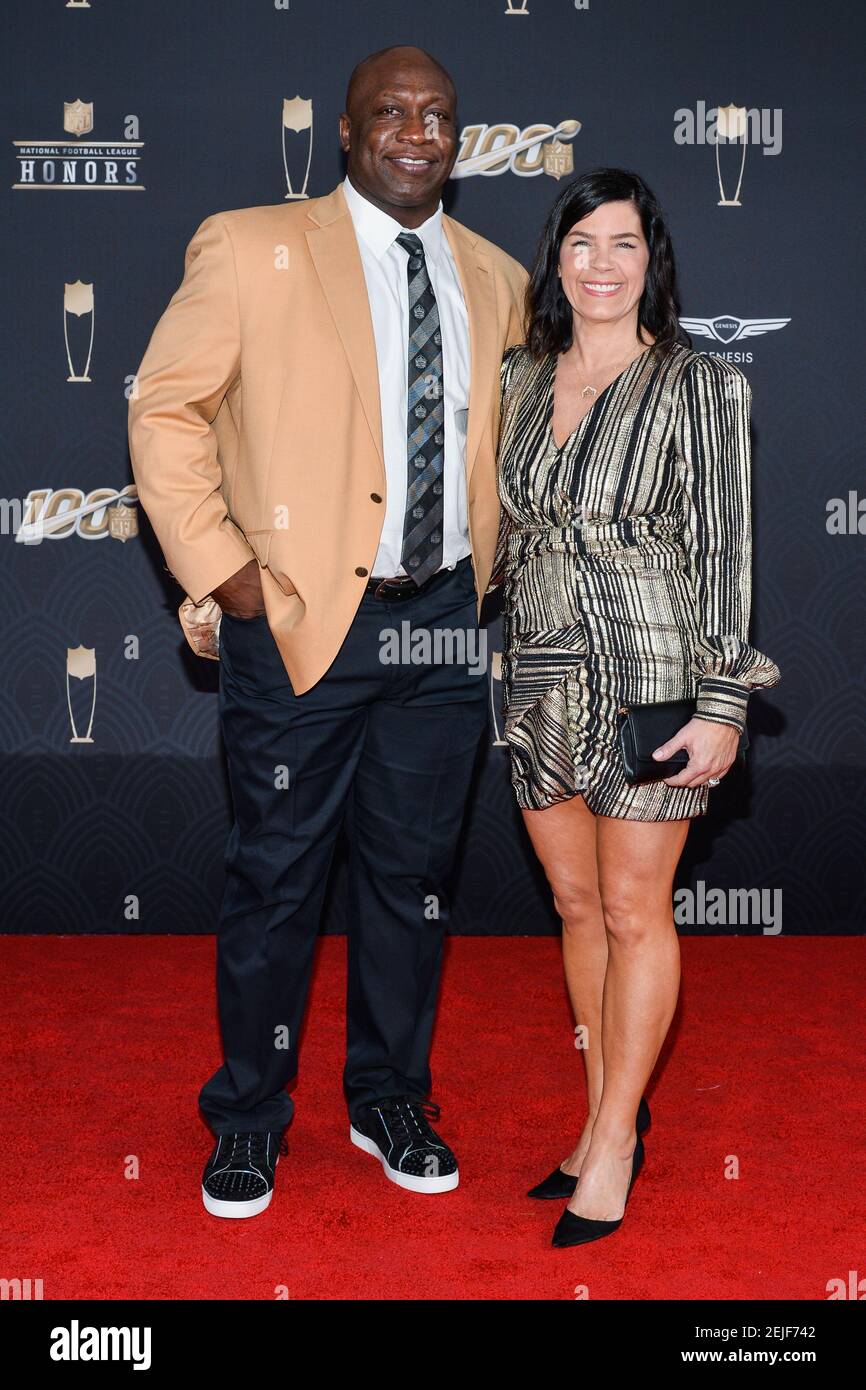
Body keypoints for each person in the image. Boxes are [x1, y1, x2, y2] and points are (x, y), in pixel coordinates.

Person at [128, 44, 527, 1216]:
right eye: (390, 113)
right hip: (303, 621)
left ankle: (388, 1094)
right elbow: (164, 407)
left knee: (413, 879)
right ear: (346, 134)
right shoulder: (251, 245)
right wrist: (223, 570)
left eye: (438, 115)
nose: (417, 130)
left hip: (444, 623)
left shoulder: (494, 274)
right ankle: (249, 1111)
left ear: (459, 139)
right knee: (277, 878)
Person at [494, 167, 780, 1246]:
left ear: (650, 261)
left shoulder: (700, 385)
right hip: (535, 667)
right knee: (573, 908)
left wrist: (720, 702)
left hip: (650, 667)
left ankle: (613, 1141)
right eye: (581, 244)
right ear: (554, 259)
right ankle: (597, 1112)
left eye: (623, 244)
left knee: (629, 909)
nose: (601, 265)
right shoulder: (522, 375)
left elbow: (723, 553)